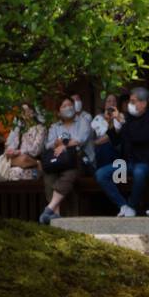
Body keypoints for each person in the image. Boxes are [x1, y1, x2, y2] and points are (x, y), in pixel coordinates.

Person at [94, 86, 149, 217]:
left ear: (143, 103)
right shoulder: (127, 119)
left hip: (144, 162)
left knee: (139, 173)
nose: (130, 104)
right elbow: (115, 141)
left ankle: (132, 206)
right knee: (101, 174)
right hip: (126, 163)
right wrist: (114, 125)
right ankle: (123, 205)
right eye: (130, 101)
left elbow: (138, 138)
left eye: (133, 101)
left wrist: (123, 123)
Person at [38, 96, 92, 224]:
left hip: (80, 160)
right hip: (59, 161)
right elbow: (48, 144)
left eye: (70, 105)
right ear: (58, 112)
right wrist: (57, 143)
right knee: (49, 174)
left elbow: (80, 140)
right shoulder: (55, 126)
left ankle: (49, 208)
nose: (68, 108)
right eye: (64, 106)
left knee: (69, 172)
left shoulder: (83, 121)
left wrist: (63, 145)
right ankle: (55, 214)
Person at [0, 103, 45, 181]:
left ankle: (36, 163)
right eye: (22, 111)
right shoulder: (18, 128)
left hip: (31, 161)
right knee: (6, 170)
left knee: (16, 170)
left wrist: (18, 152)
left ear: (34, 112)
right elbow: (10, 144)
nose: (25, 113)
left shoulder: (40, 128)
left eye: (27, 110)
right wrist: (10, 151)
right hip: (17, 159)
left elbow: (35, 151)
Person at [89, 92, 120, 170]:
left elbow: (111, 135)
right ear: (104, 104)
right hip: (98, 149)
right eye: (109, 101)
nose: (112, 103)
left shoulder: (119, 117)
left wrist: (96, 142)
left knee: (104, 147)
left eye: (114, 101)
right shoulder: (98, 117)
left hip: (113, 147)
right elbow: (90, 133)